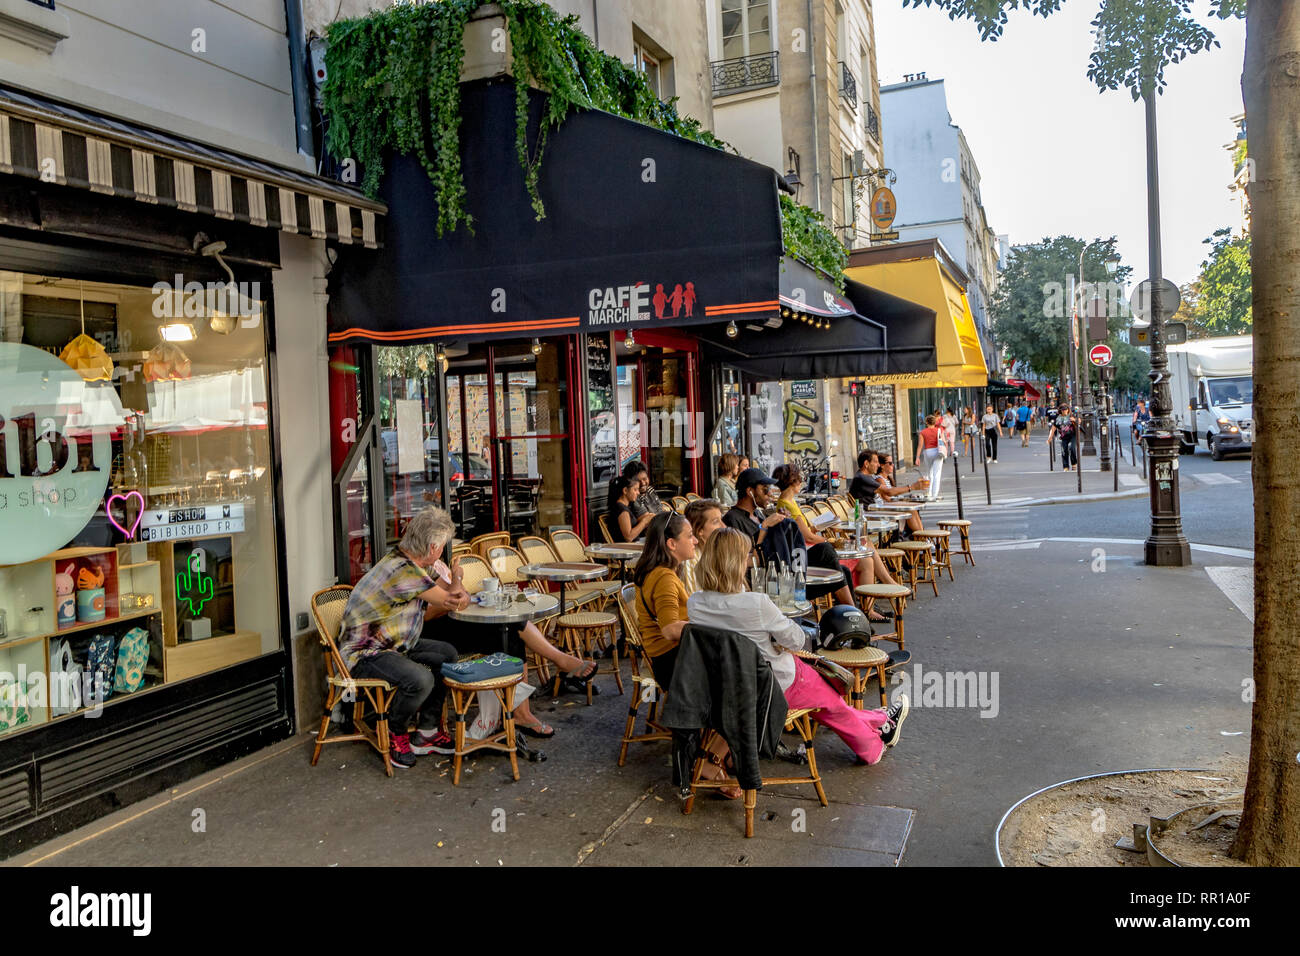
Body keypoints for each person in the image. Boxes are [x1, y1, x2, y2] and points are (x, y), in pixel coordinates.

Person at [338, 508, 595, 767]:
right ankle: (397, 732)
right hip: (366, 654)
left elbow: (443, 601)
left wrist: (450, 583)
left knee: (447, 655)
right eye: (442, 546)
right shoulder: (404, 571)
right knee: (421, 678)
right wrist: (457, 577)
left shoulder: (405, 563)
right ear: (434, 547)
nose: (443, 550)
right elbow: (453, 601)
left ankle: (427, 732)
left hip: (398, 643)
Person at [686, 529, 909, 766]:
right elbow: (796, 640)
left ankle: (880, 719)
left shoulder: (696, 603)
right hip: (771, 686)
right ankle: (872, 746)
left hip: (723, 685)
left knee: (827, 702)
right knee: (831, 702)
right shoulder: (756, 603)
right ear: (737, 562)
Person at [723, 467, 855, 607]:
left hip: (785, 565)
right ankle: (855, 616)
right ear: (750, 491)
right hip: (772, 579)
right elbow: (744, 559)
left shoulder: (758, 514)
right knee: (826, 552)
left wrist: (783, 526)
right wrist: (765, 527)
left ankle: (854, 620)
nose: (769, 494)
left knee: (841, 571)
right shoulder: (732, 519)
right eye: (765, 489)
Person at [680, 497, 724, 593]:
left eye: (721, 519)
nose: (723, 526)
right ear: (700, 531)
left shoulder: (716, 552)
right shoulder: (691, 561)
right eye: (716, 522)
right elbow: (693, 601)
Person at [607, 476, 652, 542]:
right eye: (635, 489)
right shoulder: (622, 510)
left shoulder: (624, 507)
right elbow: (628, 537)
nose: (638, 493)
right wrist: (644, 521)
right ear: (625, 490)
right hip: (626, 548)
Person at [914, 414, 946, 501]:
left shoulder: (923, 432)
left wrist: (917, 457)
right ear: (935, 422)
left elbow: (920, 445)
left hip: (928, 452)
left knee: (929, 473)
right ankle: (934, 495)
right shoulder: (939, 430)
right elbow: (944, 441)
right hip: (938, 451)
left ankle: (929, 492)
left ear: (926, 422)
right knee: (937, 474)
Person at [1048, 406, 1078, 471]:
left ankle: (1074, 463)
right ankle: (1065, 466)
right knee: (1064, 451)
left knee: (1072, 448)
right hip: (1064, 436)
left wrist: (1074, 420)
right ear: (1060, 411)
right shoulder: (1058, 418)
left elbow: (1079, 421)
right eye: (1063, 410)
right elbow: (1053, 428)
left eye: (1066, 409)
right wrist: (1050, 437)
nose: (1064, 411)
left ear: (1068, 410)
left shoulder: (1071, 416)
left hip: (1072, 435)